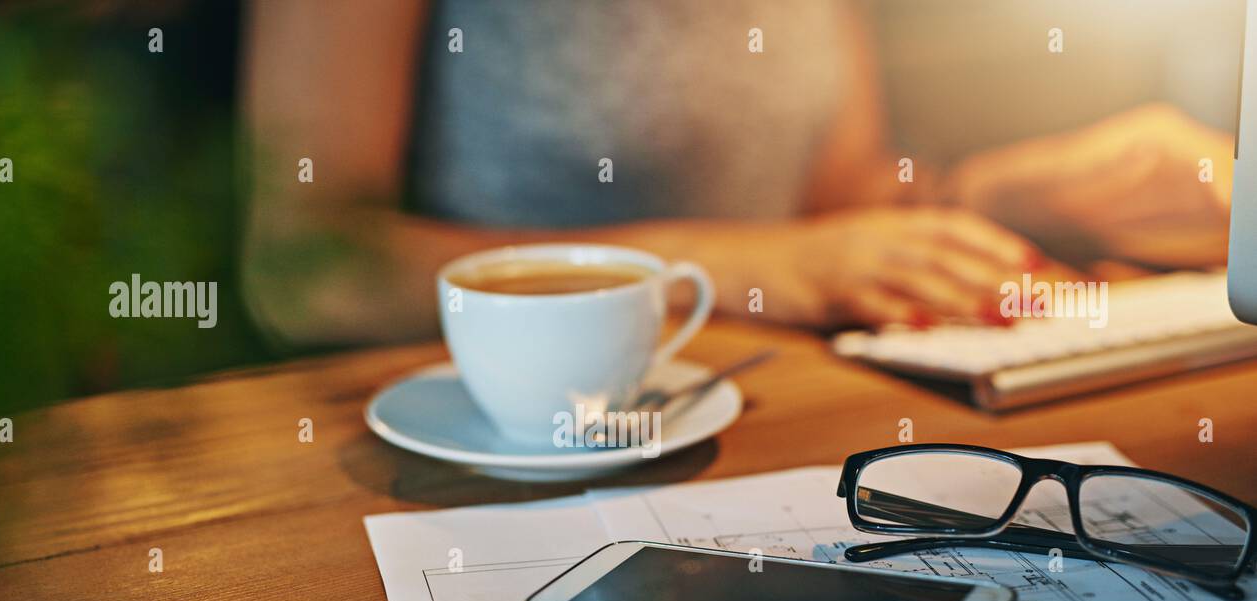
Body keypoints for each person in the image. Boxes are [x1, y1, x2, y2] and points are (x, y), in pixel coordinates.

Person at [242, 0, 1234, 346]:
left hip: (773, 407)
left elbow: (836, 205)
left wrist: (1017, 193)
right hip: (505, 447)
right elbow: (306, 268)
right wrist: (734, 264)